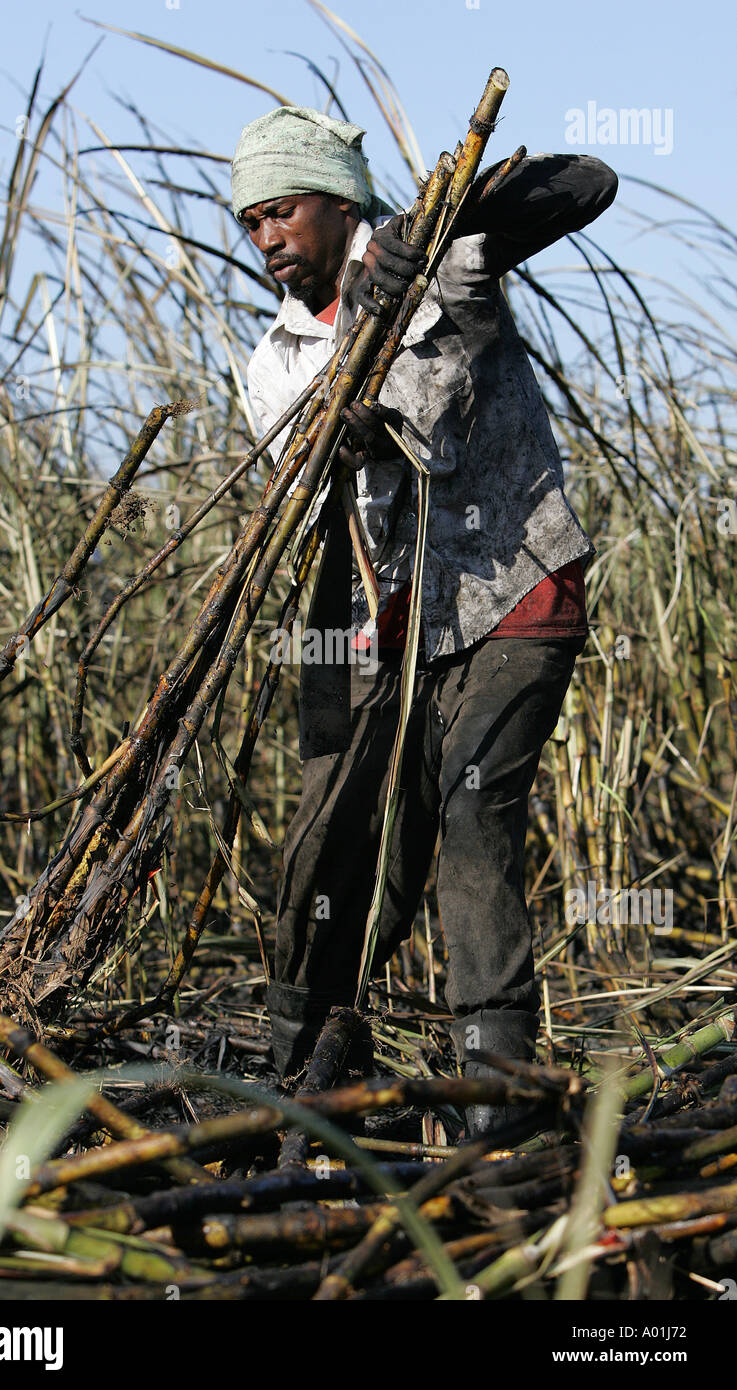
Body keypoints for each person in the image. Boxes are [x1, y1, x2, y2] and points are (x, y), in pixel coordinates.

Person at [231, 105, 617, 1136]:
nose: (268, 238)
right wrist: (344, 445)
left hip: (520, 584)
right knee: (364, 844)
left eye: (285, 212)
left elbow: (589, 183)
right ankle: (314, 1060)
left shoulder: (439, 260)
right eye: (251, 222)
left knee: (476, 803)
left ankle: (499, 1085)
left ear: (339, 203)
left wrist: (442, 229)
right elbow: (306, 497)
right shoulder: (272, 361)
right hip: (404, 623)